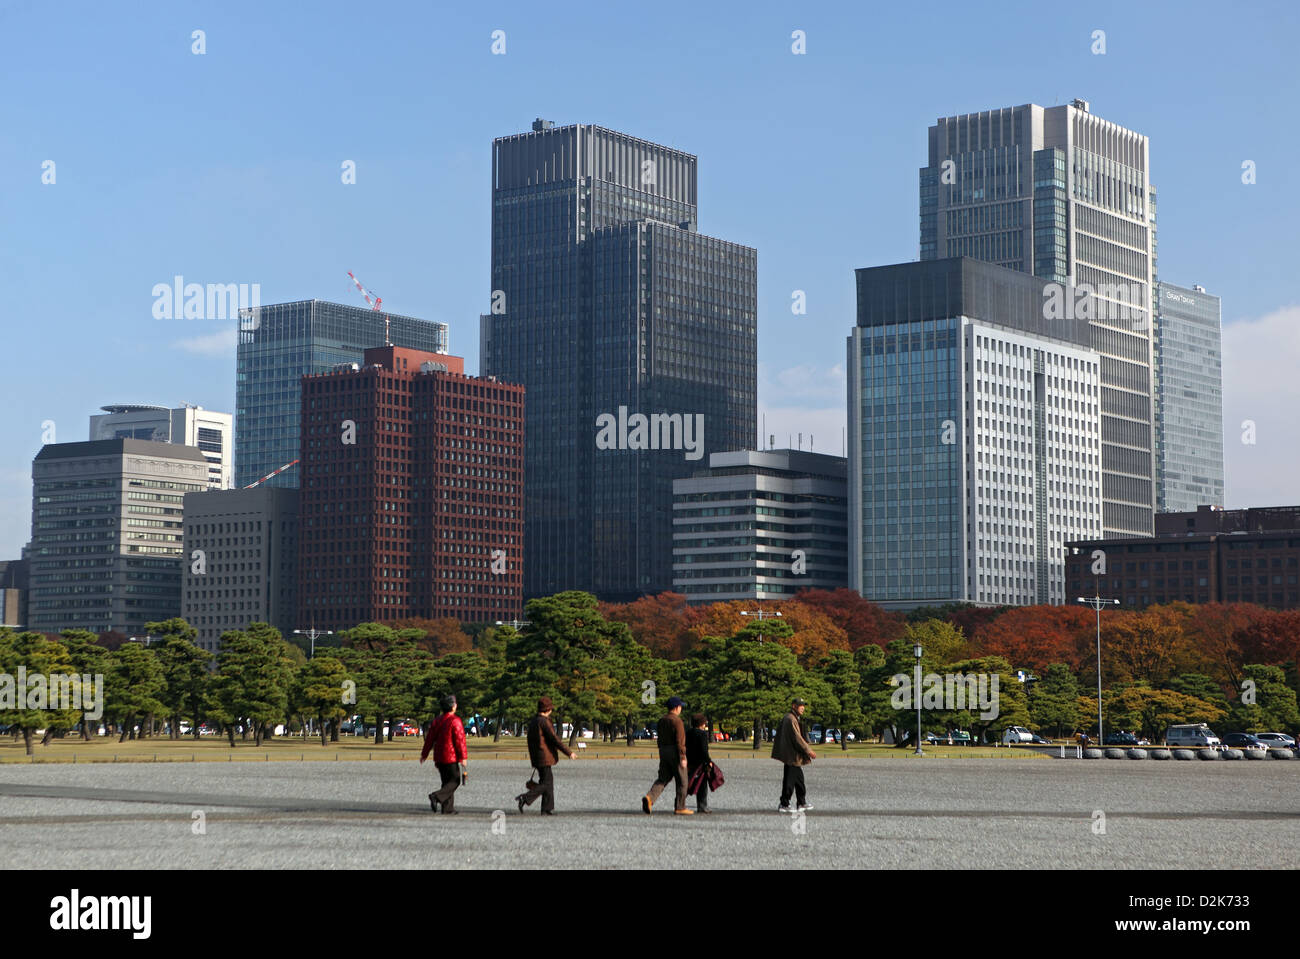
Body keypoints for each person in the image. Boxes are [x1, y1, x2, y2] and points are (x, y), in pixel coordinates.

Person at [517, 696, 574, 815]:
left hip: (537, 756)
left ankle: (547, 808)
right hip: (544, 756)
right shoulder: (544, 722)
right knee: (546, 783)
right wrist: (569, 752)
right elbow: (554, 739)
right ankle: (526, 798)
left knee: (548, 781)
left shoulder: (534, 721)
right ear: (547, 709)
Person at [643, 696, 691, 815]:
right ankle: (680, 807)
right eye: (680, 707)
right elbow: (680, 741)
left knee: (663, 778)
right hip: (675, 752)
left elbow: (659, 739)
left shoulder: (662, 720)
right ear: (676, 708)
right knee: (683, 780)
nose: (681, 709)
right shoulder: (677, 721)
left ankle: (650, 798)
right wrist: (683, 757)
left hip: (664, 751)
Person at [420, 694, 467, 814]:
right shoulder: (455, 721)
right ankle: (436, 796)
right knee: (455, 781)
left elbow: (430, 738)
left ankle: (447, 808)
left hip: (439, 756)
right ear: (452, 707)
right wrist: (463, 757)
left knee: (446, 782)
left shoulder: (437, 720)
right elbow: (460, 740)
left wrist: (424, 754)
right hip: (451, 756)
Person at [772, 697, 816, 812]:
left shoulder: (791, 718)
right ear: (793, 706)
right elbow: (797, 738)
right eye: (800, 705)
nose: (802, 707)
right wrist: (808, 750)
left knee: (799, 779)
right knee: (790, 780)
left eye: (803, 705)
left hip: (792, 755)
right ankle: (784, 803)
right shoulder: (790, 719)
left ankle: (801, 802)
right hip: (792, 755)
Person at [685, 713, 713, 814]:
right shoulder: (702, 734)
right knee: (702, 785)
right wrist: (709, 761)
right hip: (700, 763)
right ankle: (702, 806)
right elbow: (704, 750)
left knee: (687, 783)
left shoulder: (688, 733)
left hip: (689, 761)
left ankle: (679, 802)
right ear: (702, 724)